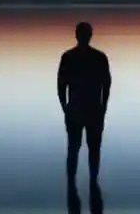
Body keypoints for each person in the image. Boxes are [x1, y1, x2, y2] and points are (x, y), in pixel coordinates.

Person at [58, 21, 111, 208]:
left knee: (81, 147)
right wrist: (65, 106)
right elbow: (61, 84)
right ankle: (83, 184)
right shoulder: (97, 57)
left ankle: (82, 184)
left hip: (86, 110)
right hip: (83, 110)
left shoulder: (71, 57)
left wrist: (65, 106)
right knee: (83, 147)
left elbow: (106, 83)